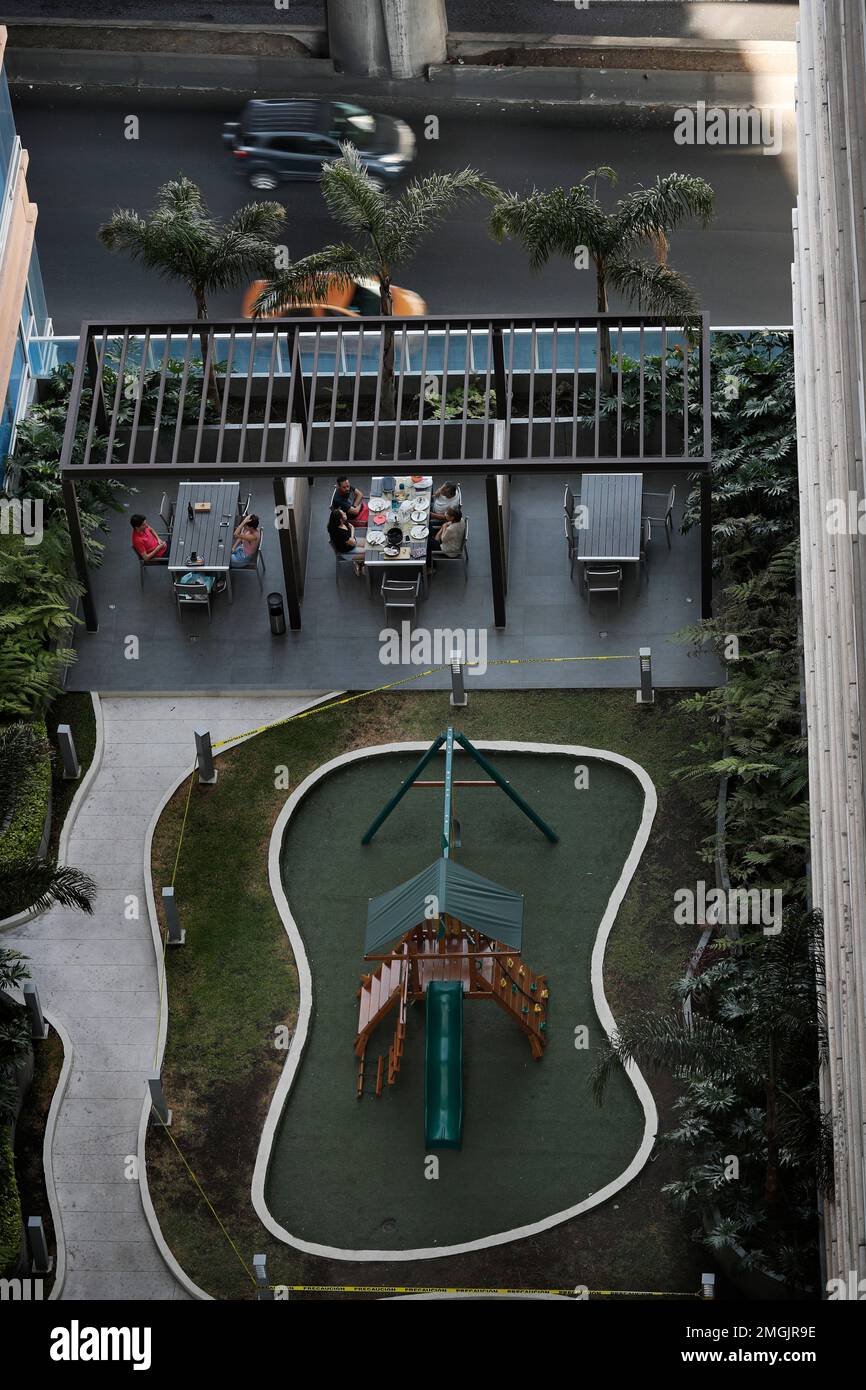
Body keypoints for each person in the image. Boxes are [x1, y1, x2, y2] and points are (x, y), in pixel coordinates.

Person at [327, 506, 364, 573]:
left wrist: (352, 537)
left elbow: (352, 527)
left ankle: (359, 562)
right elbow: (353, 543)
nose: (345, 513)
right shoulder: (340, 533)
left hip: (352, 542)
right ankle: (360, 565)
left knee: (368, 544)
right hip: (347, 552)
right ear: (340, 519)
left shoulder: (342, 522)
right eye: (343, 513)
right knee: (368, 552)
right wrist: (353, 540)